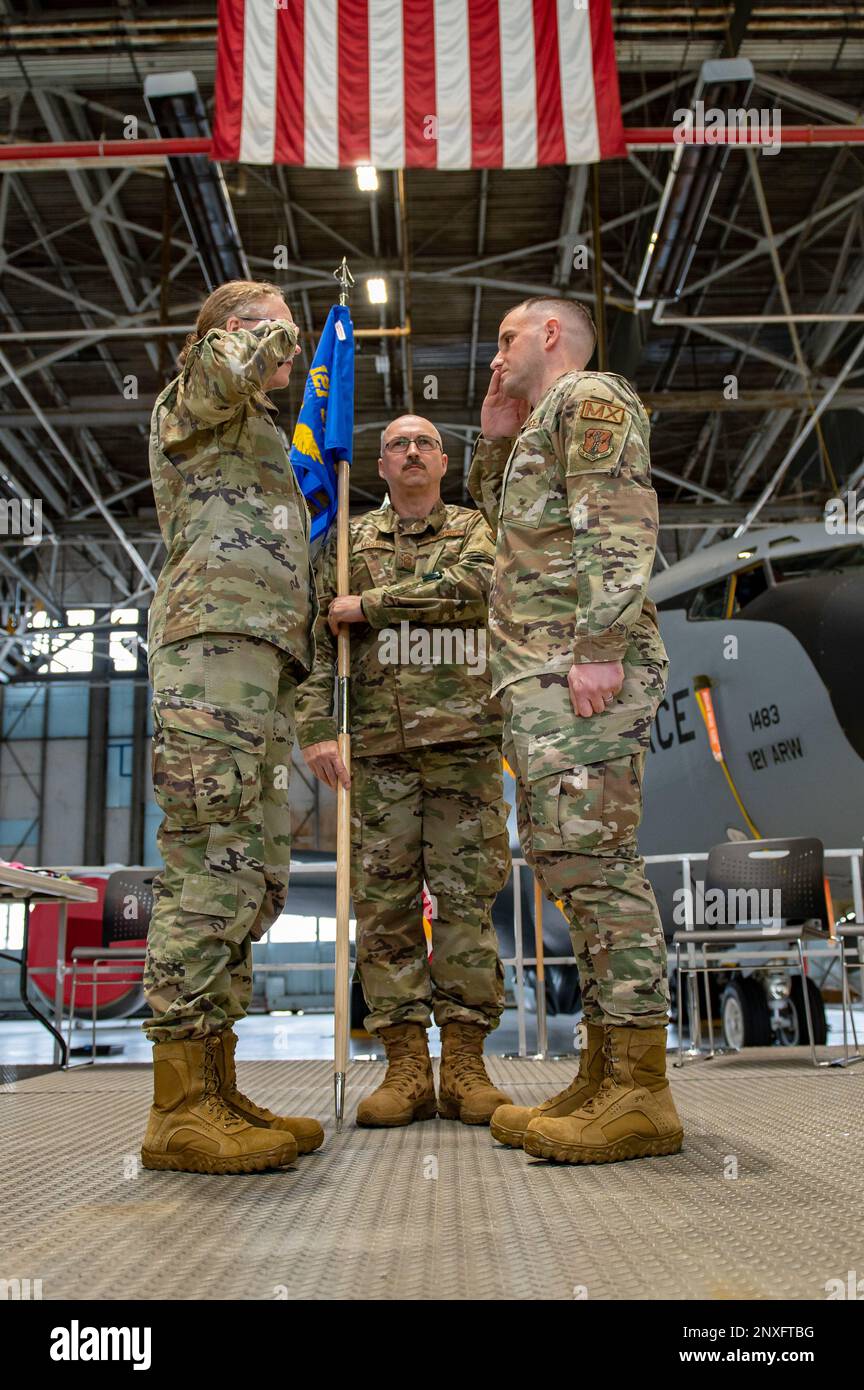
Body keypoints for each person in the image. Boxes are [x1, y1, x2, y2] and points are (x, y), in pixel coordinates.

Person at [468, 297, 683, 1164]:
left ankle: (641, 1092)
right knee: (565, 860)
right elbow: (505, 522)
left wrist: (598, 644)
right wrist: (492, 432)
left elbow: (621, 519)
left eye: (507, 339)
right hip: (541, 677)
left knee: (595, 866)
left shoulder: (590, 398)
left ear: (550, 335)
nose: (495, 356)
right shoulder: (537, 423)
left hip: (579, 669)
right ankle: (606, 1069)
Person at [141, 280, 324, 1174]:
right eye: (265, 329)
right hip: (208, 657)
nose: (282, 347)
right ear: (224, 335)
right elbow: (225, 363)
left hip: (264, 666)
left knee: (253, 876)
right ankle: (176, 1107)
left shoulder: (259, 432)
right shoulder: (195, 399)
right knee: (207, 862)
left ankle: (215, 1082)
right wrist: (279, 328)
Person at [296, 415, 512, 1127]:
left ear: (444, 462)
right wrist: (318, 728)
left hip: (466, 747)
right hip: (378, 756)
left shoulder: (476, 531)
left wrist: (375, 605)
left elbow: (477, 589)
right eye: (397, 445)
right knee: (384, 912)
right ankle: (405, 1068)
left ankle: (467, 1065)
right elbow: (319, 642)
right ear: (381, 465)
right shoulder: (348, 545)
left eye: (423, 443)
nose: (411, 452)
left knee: (466, 907)